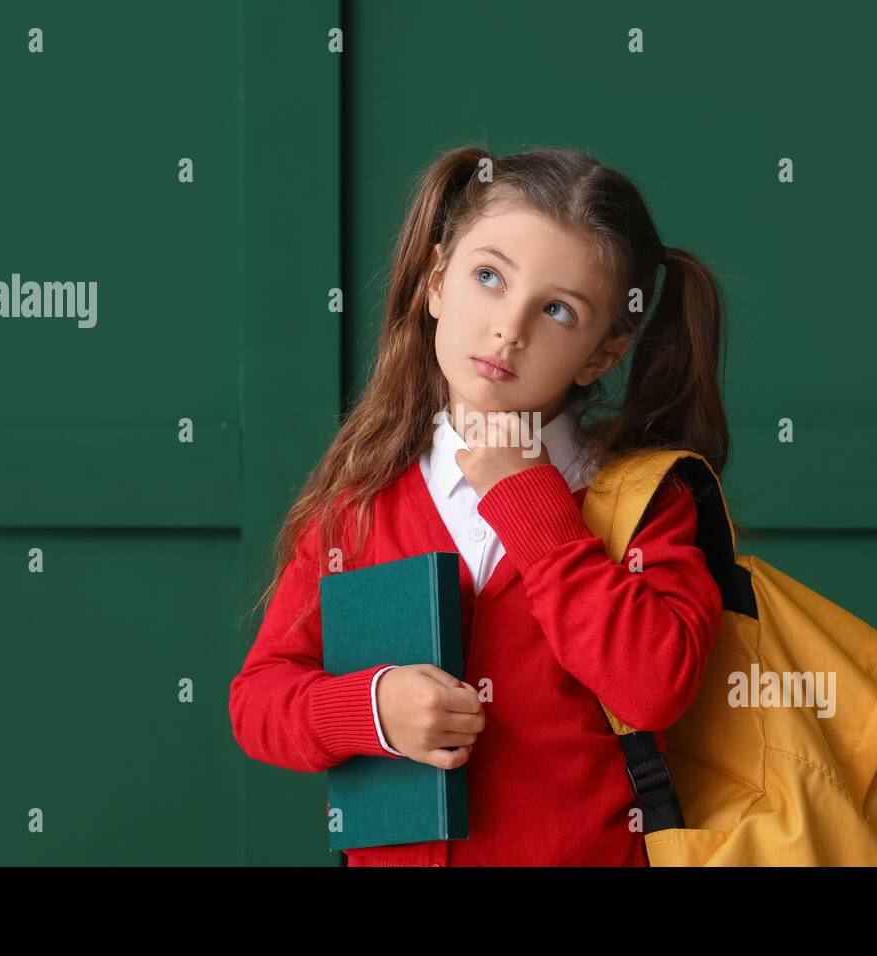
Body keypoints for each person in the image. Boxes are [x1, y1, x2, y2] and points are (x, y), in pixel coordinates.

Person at [229, 145, 731, 866]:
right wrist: (373, 709)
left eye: (558, 310)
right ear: (436, 281)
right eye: (488, 277)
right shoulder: (361, 504)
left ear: (600, 355)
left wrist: (528, 498)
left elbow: (653, 686)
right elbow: (257, 701)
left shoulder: (647, 501)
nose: (510, 329)